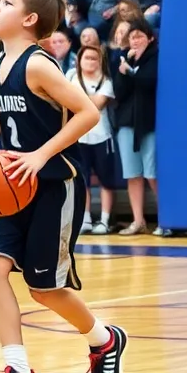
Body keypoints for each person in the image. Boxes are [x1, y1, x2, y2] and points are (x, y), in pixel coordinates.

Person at [0, 0, 126, 373]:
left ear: (29, 20)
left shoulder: (39, 64)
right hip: (9, 183)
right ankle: (19, 372)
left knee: (43, 289)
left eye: (7, 3)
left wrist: (40, 155)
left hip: (51, 186)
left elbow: (87, 114)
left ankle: (104, 340)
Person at [67, 46, 121, 235]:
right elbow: (67, 102)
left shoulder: (106, 80)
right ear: (79, 60)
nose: (90, 61)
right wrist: (80, 100)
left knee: (106, 180)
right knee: (82, 180)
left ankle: (105, 219)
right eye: (87, 58)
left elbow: (97, 104)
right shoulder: (71, 77)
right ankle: (85, 218)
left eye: (94, 58)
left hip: (101, 136)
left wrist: (78, 98)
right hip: (79, 136)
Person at [113, 18, 158, 236]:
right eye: (132, 37)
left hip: (149, 123)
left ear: (150, 38)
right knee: (133, 174)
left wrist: (130, 70)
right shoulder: (122, 59)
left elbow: (148, 82)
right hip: (126, 122)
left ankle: (165, 219)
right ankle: (138, 220)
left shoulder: (154, 57)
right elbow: (119, 93)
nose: (135, 40)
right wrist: (123, 72)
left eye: (140, 36)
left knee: (152, 173)